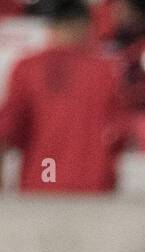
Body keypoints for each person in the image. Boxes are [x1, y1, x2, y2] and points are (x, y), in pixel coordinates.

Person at [0, 0, 129, 193]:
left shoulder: (27, 68)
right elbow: (120, 133)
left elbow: (8, 131)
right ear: (85, 28)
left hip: (42, 180)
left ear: (52, 27)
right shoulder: (105, 71)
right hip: (92, 186)